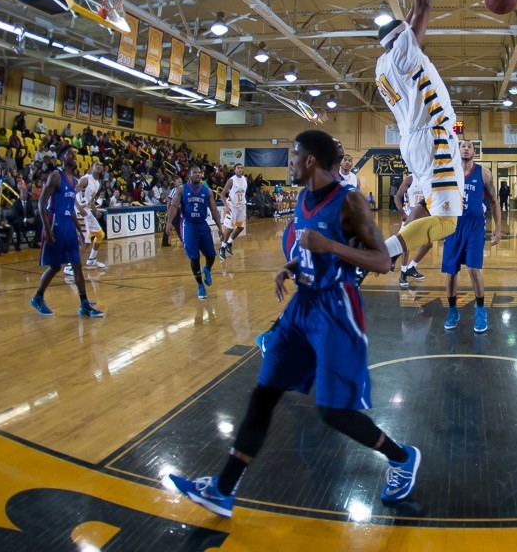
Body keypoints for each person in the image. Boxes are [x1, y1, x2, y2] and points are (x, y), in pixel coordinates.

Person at [169, 130, 420, 518]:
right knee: (264, 393)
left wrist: (330, 246)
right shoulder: (303, 198)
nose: (288, 163)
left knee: (333, 412)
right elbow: (312, 249)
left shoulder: (349, 200)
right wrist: (292, 265)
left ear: (310, 160)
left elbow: (383, 261)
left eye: (293, 155)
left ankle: (402, 458)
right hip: (302, 306)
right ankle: (222, 489)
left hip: (337, 311)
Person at [374, 0, 464, 268]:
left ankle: (391, 255)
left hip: (414, 142)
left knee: (426, 207)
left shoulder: (382, 65)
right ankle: (382, 252)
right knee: (447, 223)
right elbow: (422, 9)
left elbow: (411, 19)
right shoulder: (404, 51)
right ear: (401, 37)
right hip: (434, 136)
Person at [29, 145, 104, 317]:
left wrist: (79, 231)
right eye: (70, 154)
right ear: (62, 157)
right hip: (55, 223)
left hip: (69, 225)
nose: (74, 156)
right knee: (55, 266)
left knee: (77, 264)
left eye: (75, 154)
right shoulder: (56, 176)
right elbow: (41, 203)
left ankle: (84, 304)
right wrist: (47, 230)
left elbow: (71, 209)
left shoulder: (75, 181)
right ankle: (38, 297)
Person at [441, 139, 501, 333]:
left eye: (469, 147)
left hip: (475, 227)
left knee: (474, 270)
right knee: (451, 271)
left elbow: (494, 201)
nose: (466, 148)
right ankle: (452, 311)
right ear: (458, 150)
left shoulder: (484, 173)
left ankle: (481, 311)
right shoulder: (450, 172)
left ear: (475, 152)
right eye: (463, 146)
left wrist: (498, 227)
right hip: (453, 226)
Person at [168, 166, 223, 299]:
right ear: (189, 175)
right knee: (194, 257)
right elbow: (174, 206)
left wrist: (220, 228)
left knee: (211, 255)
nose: (198, 175)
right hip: (189, 225)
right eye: (195, 173)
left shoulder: (207, 191)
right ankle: (200, 285)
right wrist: (169, 222)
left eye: (199, 173)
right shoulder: (182, 189)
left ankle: (207, 269)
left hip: (202, 225)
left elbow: (214, 210)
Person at [65, 161, 107, 273]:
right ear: (91, 167)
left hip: (87, 211)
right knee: (85, 241)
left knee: (100, 234)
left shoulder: (97, 183)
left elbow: (91, 200)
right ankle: (70, 266)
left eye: (101, 165)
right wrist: (80, 209)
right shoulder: (85, 179)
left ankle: (92, 259)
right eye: (97, 164)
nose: (99, 166)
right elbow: (71, 194)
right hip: (79, 212)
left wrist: (96, 211)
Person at [393, 174, 430, 287]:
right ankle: (403, 272)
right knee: (405, 244)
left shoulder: (429, 177)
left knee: (428, 244)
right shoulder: (410, 178)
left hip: (424, 216)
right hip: (410, 215)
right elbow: (397, 197)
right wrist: (402, 213)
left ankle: (411, 267)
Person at [219, 163, 247, 260]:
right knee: (230, 228)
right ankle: (222, 247)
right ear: (234, 170)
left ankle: (229, 242)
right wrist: (226, 207)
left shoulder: (244, 179)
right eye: (238, 168)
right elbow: (222, 194)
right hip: (232, 207)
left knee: (240, 227)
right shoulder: (231, 180)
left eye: (241, 168)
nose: (240, 169)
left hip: (241, 206)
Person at [9, 184, 41, 249]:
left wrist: (33, 218)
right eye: (23, 193)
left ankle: (36, 241)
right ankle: (18, 244)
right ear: (20, 194)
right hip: (19, 223)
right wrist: (26, 219)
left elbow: (32, 214)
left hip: (28, 223)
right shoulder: (16, 203)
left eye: (26, 193)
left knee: (39, 220)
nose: (25, 195)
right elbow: (15, 216)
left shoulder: (29, 202)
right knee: (18, 222)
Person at [162, 176, 183, 246]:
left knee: (174, 225)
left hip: (178, 209)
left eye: (181, 182)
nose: (180, 183)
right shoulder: (174, 190)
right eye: (179, 182)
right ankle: (183, 240)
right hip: (173, 209)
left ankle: (164, 242)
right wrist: (168, 211)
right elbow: (169, 201)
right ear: (175, 183)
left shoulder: (182, 190)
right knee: (178, 226)